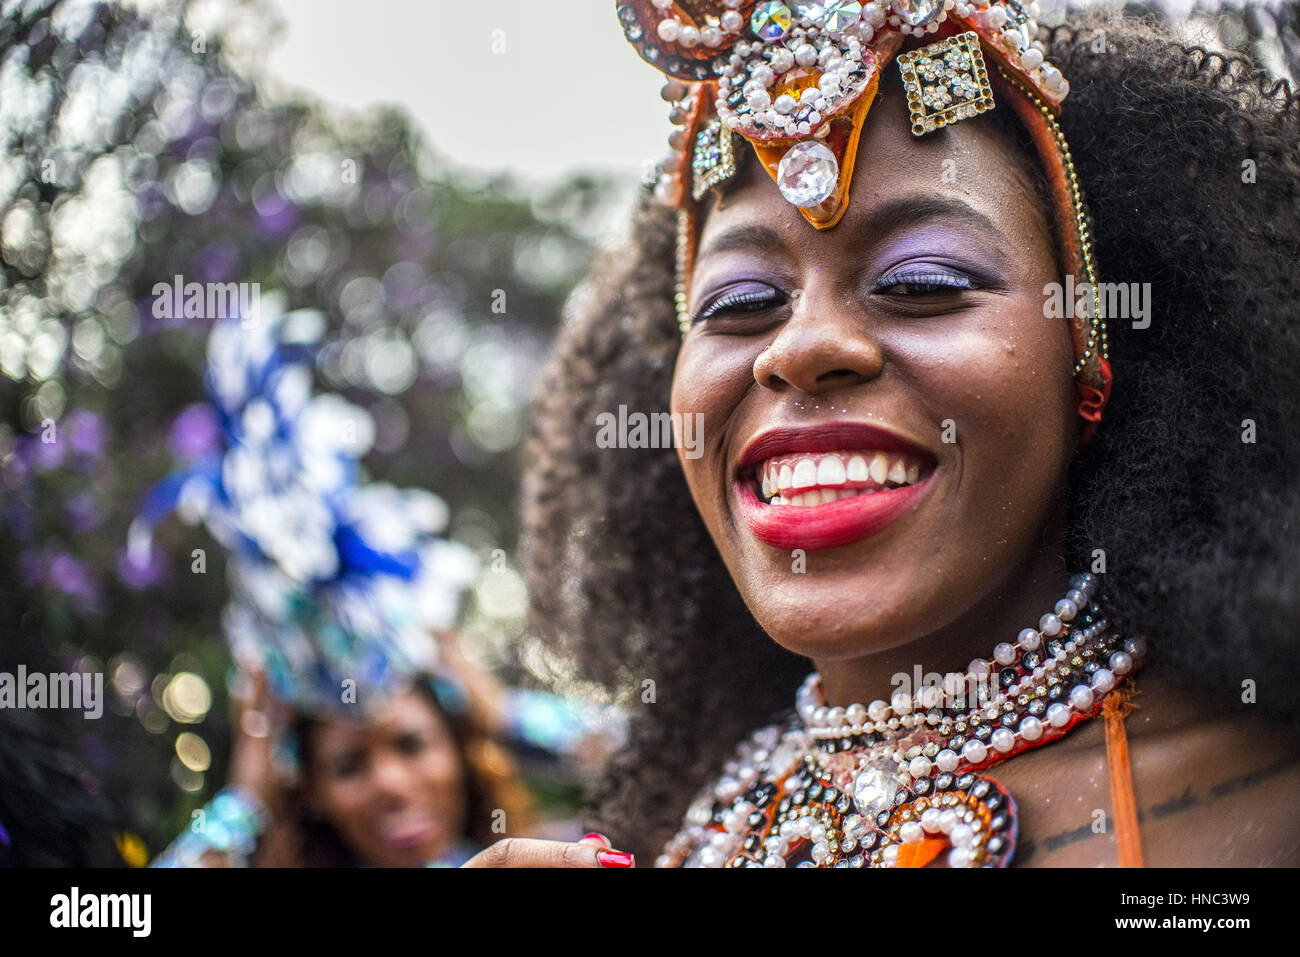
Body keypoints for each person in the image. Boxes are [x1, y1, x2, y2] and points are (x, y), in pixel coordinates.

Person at [520, 3, 1300, 867]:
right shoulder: (690, 830)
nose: (804, 347)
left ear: (1088, 347)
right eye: (739, 303)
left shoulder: (1264, 805)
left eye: (923, 280)